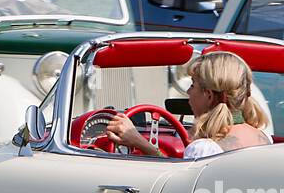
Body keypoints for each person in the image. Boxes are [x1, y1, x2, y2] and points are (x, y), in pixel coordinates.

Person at [105, 51, 271, 160]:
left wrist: (139, 142)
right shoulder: (264, 139)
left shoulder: (204, 150)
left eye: (192, 85)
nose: (189, 92)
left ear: (209, 95)